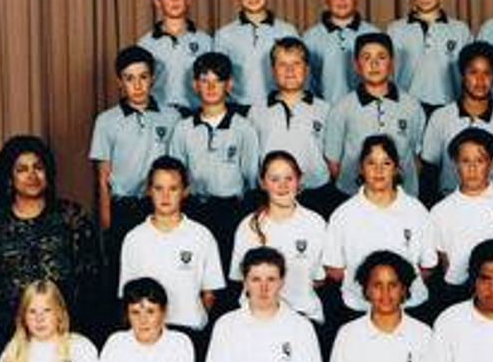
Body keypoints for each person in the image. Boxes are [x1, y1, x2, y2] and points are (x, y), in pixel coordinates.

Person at [0, 135, 101, 353]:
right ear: (9, 177)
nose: (32, 175)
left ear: (48, 174)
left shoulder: (72, 218)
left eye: (38, 167)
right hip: (12, 337)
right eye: (22, 169)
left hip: (67, 335)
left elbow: (92, 274)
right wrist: (11, 301)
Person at [89, 46, 182, 295]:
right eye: (130, 79)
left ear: (152, 78)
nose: (138, 85)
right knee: (124, 271)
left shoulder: (171, 117)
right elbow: (103, 176)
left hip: (159, 206)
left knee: (162, 266)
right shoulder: (106, 121)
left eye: (143, 77)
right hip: (123, 207)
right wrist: (107, 218)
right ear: (120, 82)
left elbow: (177, 168)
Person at [118, 156, 226, 362]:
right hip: (146, 333)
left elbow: (209, 293)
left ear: (185, 191)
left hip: (188, 330)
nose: (165, 195)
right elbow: (127, 295)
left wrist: (195, 317)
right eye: (159, 188)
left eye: (173, 188)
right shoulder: (134, 238)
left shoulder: (201, 235)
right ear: (149, 190)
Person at [323, 134, 437, 321]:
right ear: (361, 168)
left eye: (386, 163)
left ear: (396, 168)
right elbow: (333, 267)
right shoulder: (343, 214)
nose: (378, 170)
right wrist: (363, 289)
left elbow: (428, 266)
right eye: (371, 163)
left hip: (410, 307)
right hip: (359, 308)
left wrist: (399, 291)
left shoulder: (416, 210)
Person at [169, 51, 261, 268]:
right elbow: (175, 177)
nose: (210, 87)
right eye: (204, 80)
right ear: (195, 84)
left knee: (230, 270)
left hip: (232, 212)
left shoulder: (243, 128)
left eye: (217, 81)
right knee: (195, 268)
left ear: (229, 85)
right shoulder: (183, 129)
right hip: (194, 210)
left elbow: (252, 178)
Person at [429, 128, 493, 311]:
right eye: (465, 161)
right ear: (455, 163)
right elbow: (444, 262)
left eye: (480, 161)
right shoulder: (439, 211)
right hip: (456, 293)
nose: (472, 168)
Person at [323, 32, 427, 198]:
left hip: (403, 197)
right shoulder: (342, 108)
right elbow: (333, 163)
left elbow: (417, 158)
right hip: (354, 198)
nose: (374, 64)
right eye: (366, 58)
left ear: (392, 64)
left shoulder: (412, 106)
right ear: (357, 65)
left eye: (381, 57)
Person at [247, 37, 340, 218]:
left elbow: (333, 159)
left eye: (296, 64)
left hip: (316, 194)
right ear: (273, 70)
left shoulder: (326, 109)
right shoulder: (257, 111)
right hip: (271, 197)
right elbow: (252, 161)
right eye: (282, 64)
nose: (289, 70)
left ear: (306, 69)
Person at [230, 151, 327, 324]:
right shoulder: (248, 226)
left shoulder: (316, 223)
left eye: (289, 178)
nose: (282, 186)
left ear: (299, 180)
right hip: (256, 317)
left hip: (302, 315)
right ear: (263, 183)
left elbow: (319, 278)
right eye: (274, 179)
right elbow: (241, 278)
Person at [419, 41, 493, 203]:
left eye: (487, 73)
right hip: (450, 203)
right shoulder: (440, 117)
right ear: (462, 75)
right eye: (473, 72)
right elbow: (430, 171)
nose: (480, 80)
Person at [386, 0, 472, 114]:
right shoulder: (395, 30)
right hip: (406, 110)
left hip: (449, 110)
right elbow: (387, 77)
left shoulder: (460, 30)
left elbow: (469, 76)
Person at [213, 0, 299, 109]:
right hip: (238, 110)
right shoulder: (224, 35)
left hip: (278, 108)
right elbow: (217, 79)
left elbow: (300, 74)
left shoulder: (287, 31)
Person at [137, 0, 214, 114]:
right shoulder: (145, 44)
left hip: (196, 116)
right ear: (157, 2)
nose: (174, 0)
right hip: (158, 116)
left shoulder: (206, 41)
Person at [301, 0, 380, 104]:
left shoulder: (373, 34)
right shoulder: (309, 38)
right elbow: (306, 84)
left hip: (365, 114)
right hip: (325, 114)